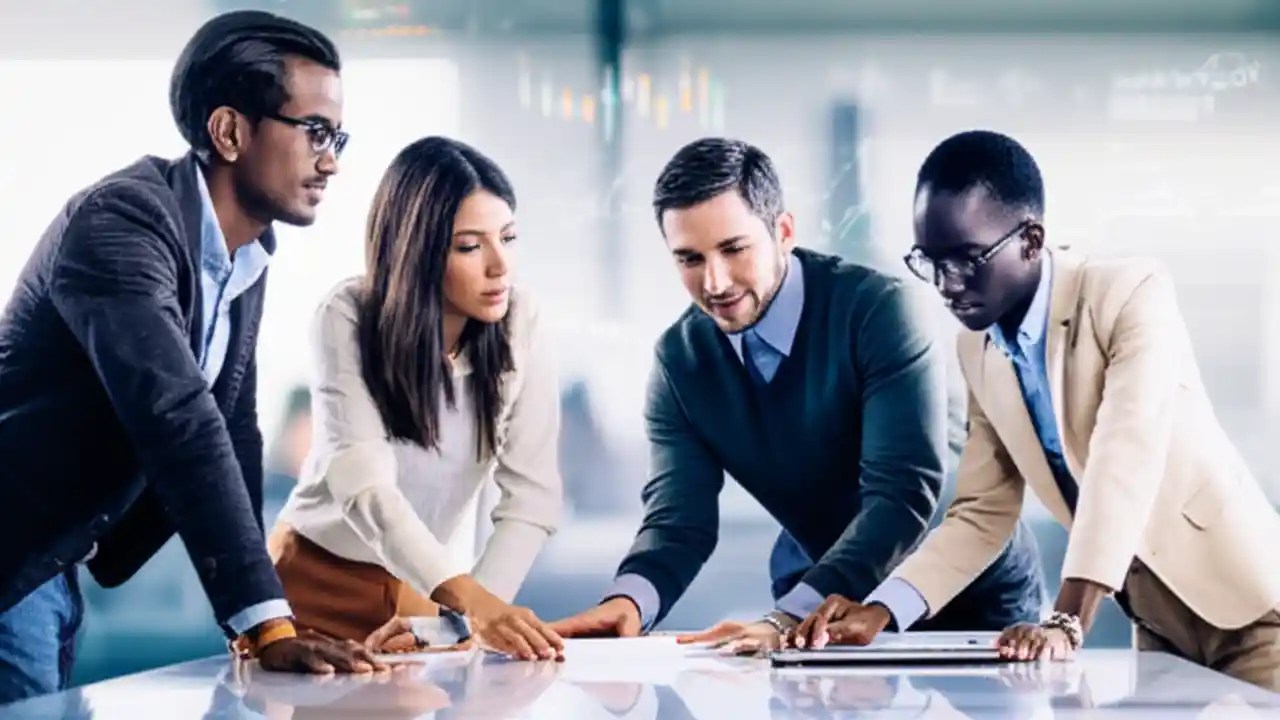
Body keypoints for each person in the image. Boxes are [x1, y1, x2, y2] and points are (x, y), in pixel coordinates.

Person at [796, 129, 1280, 692]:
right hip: (1158, 627)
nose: (947, 286)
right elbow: (982, 510)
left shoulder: (1129, 292)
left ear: (1031, 239)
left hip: (1255, 610)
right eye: (931, 263)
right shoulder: (976, 348)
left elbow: (1126, 453)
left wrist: (1066, 618)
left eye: (967, 260)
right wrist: (883, 612)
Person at [0, 9, 385, 702]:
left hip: (54, 564)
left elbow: (232, 428)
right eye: (316, 132)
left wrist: (270, 619)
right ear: (231, 131)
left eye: (339, 135)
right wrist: (264, 622)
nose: (332, 159)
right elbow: (174, 411)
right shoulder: (121, 223)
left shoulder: (240, 261)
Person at [548, 137, 1044, 651]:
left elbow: (901, 494)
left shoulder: (881, 311)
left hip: (967, 592)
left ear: (783, 232)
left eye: (733, 249)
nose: (714, 281)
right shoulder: (680, 360)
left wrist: (785, 618)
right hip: (818, 592)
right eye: (689, 259)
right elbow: (679, 518)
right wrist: (626, 603)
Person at [270, 136, 565, 662]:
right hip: (313, 578)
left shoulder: (523, 320)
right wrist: (472, 602)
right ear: (418, 251)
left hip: (426, 584)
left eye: (509, 237)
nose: (501, 265)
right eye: (470, 247)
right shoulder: (349, 315)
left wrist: (474, 613)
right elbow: (362, 487)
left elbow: (532, 496)